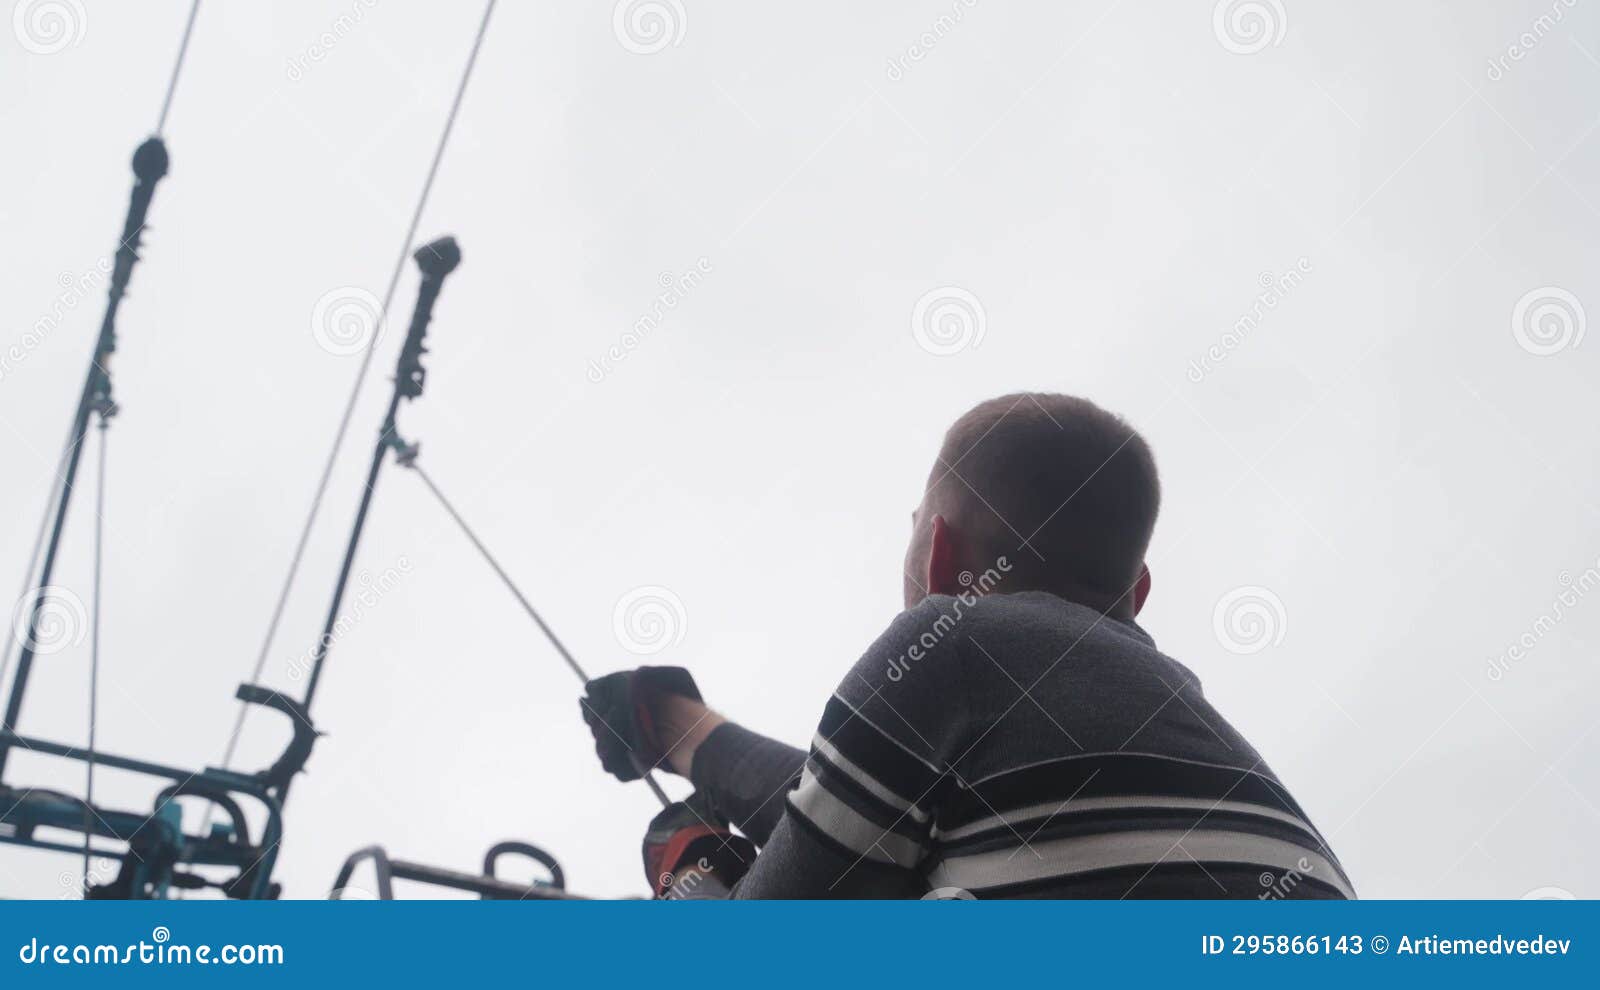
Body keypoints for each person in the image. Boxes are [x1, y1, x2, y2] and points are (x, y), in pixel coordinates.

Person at [581, 392, 1353, 899]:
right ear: (1136, 594)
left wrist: (689, 868)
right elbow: (863, 817)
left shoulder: (949, 641)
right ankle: (672, 722)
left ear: (939, 558)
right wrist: (683, 730)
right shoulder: (1190, 723)